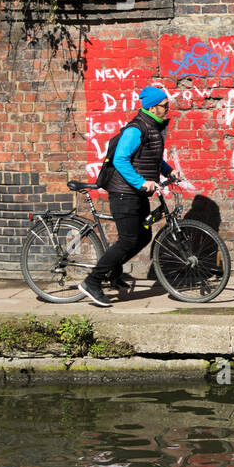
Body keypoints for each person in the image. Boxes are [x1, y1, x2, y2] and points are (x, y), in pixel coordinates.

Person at [80, 86, 174, 307]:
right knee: (129, 239)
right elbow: (120, 160)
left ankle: (112, 273)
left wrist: (169, 171)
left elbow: (151, 158)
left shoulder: (152, 127)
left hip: (135, 193)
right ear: (152, 107)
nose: (167, 108)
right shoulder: (136, 129)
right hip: (124, 193)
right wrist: (142, 182)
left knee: (143, 236)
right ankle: (92, 282)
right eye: (164, 105)